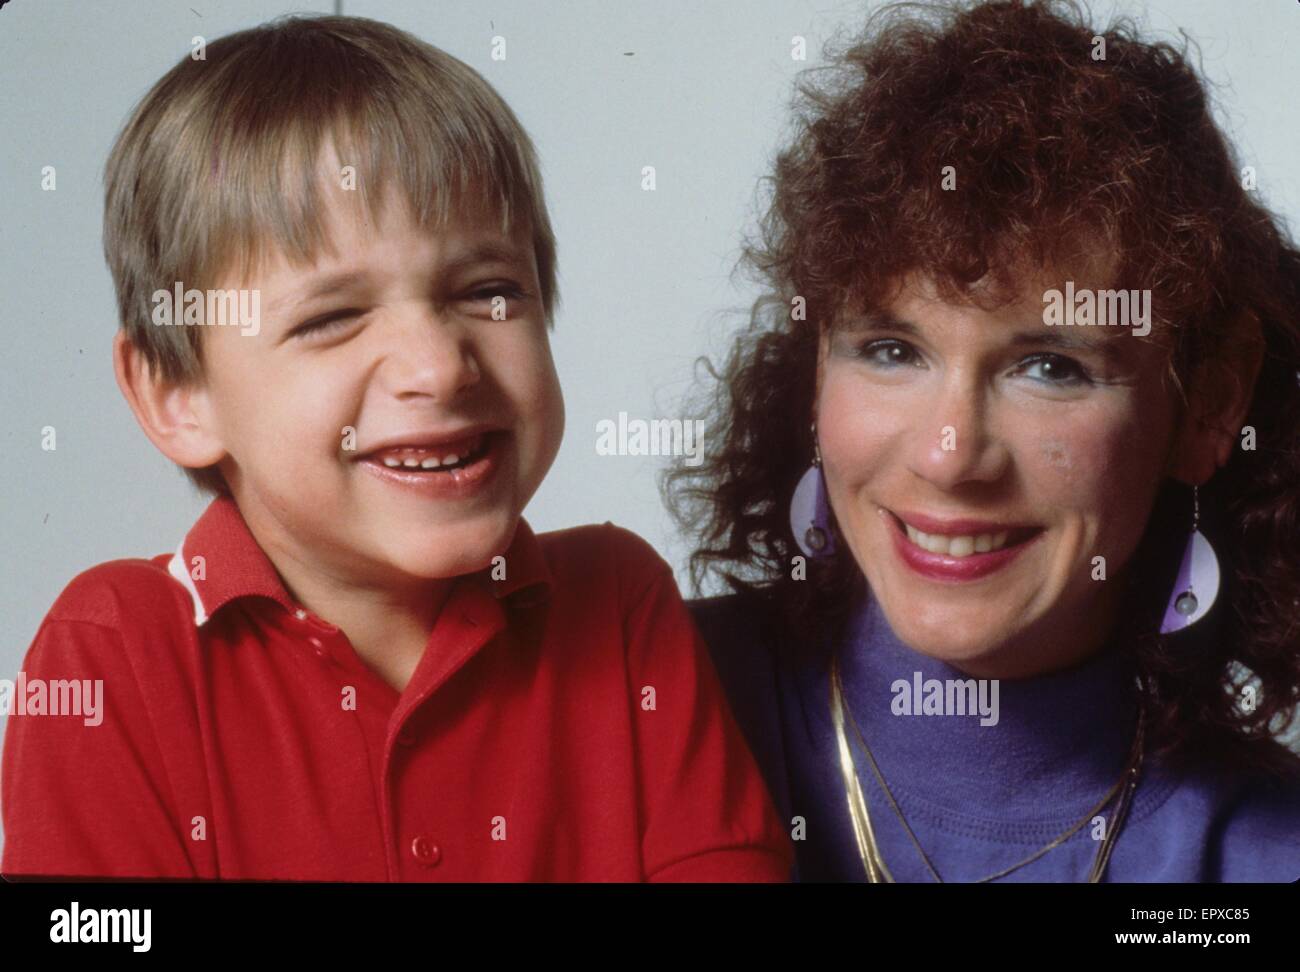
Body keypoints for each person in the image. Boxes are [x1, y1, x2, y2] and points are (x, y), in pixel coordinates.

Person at [0, 15, 791, 882]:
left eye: (488, 293)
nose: (438, 366)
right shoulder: (115, 654)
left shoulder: (619, 605)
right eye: (332, 317)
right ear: (176, 395)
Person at [669, 0, 1300, 882]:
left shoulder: (1265, 857)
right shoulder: (647, 705)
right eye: (891, 350)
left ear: (1210, 406)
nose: (949, 455)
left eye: (1051, 368)